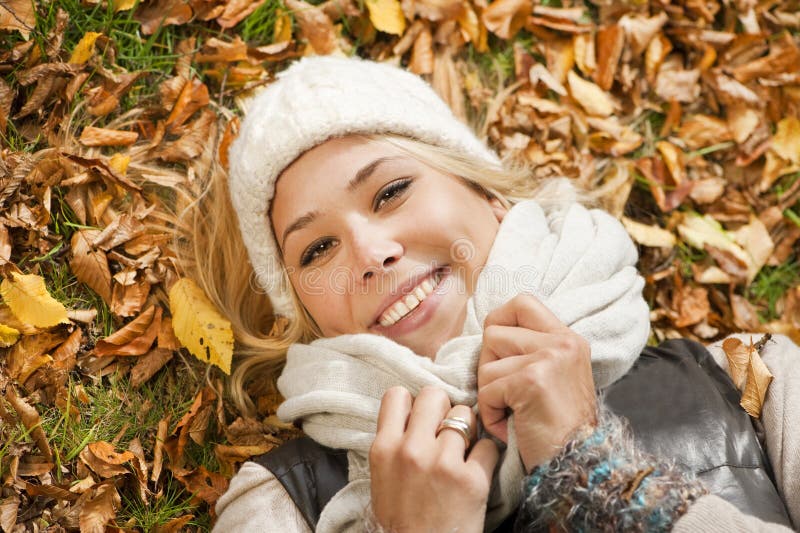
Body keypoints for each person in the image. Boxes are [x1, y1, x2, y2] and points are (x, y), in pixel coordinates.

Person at [180, 55, 800, 531]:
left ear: (490, 195)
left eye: (391, 192)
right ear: (307, 314)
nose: (369, 254)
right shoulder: (280, 503)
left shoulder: (755, 379)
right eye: (317, 249)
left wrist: (594, 476)